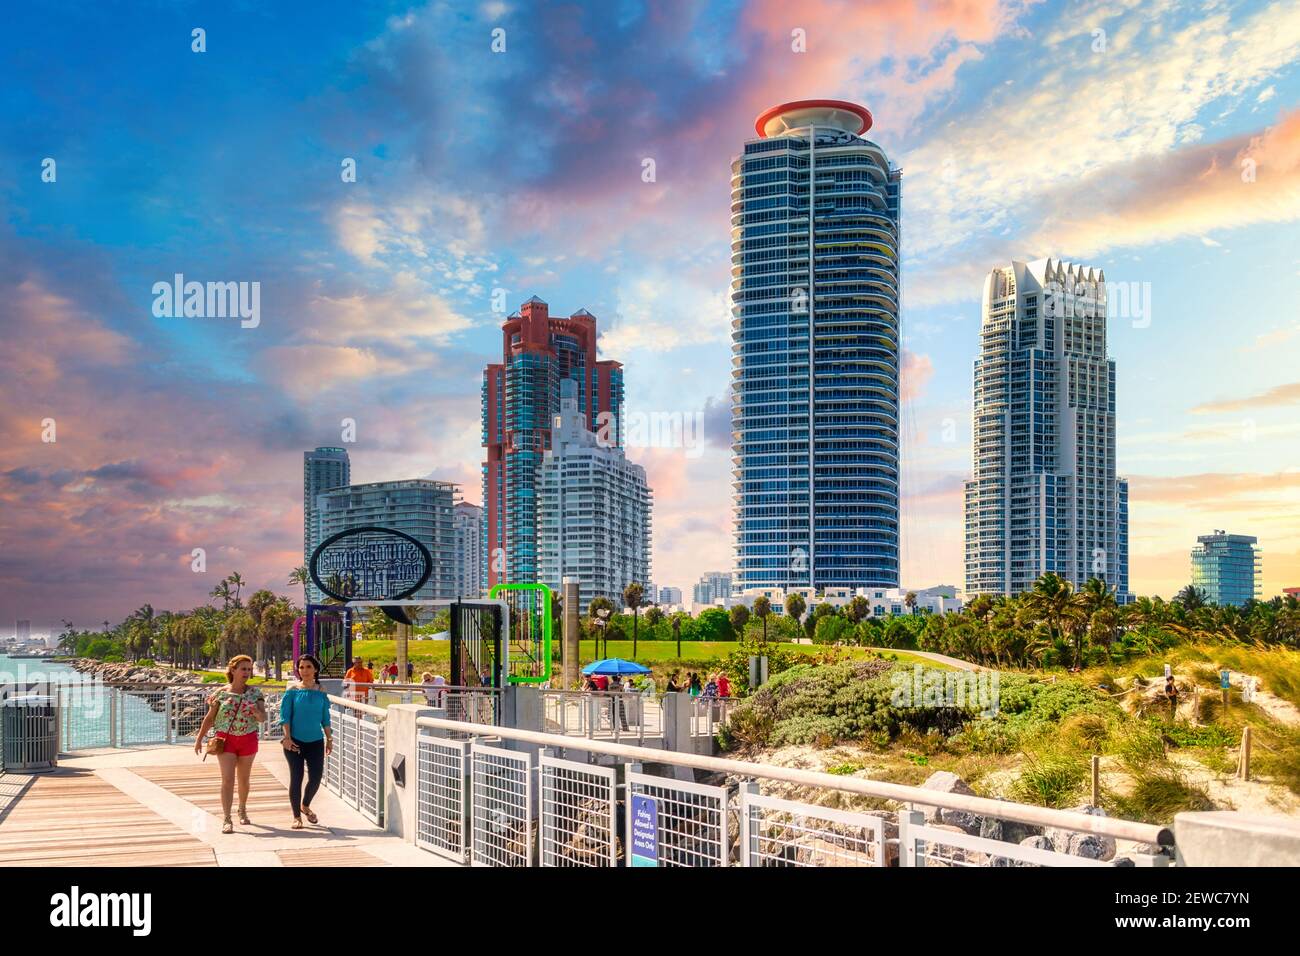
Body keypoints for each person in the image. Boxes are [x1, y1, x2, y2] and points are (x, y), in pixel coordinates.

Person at [194, 655, 267, 834]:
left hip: (248, 738)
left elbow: (263, 718)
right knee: (227, 779)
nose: (247, 673)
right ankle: (227, 819)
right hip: (225, 740)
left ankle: (242, 808)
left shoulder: (255, 693)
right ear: (233, 670)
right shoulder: (220, 694)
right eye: (244, 669)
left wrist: (255, 712)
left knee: (244, 780)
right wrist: (199, 739)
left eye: (250, 669)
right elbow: (210, 718)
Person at [280, 653, 333, 830]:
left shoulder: (321, 691)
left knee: (316, 778)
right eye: (301, 667)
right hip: (294, 741)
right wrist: (287, 738)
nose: (304, 670)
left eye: (308, 667)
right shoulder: (292, 691)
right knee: (297, 778)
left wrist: (329, 738)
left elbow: (325, 717)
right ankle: (296, 816)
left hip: (316, 741)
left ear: (315, 669)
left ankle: (305, 805)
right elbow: (285, 716)